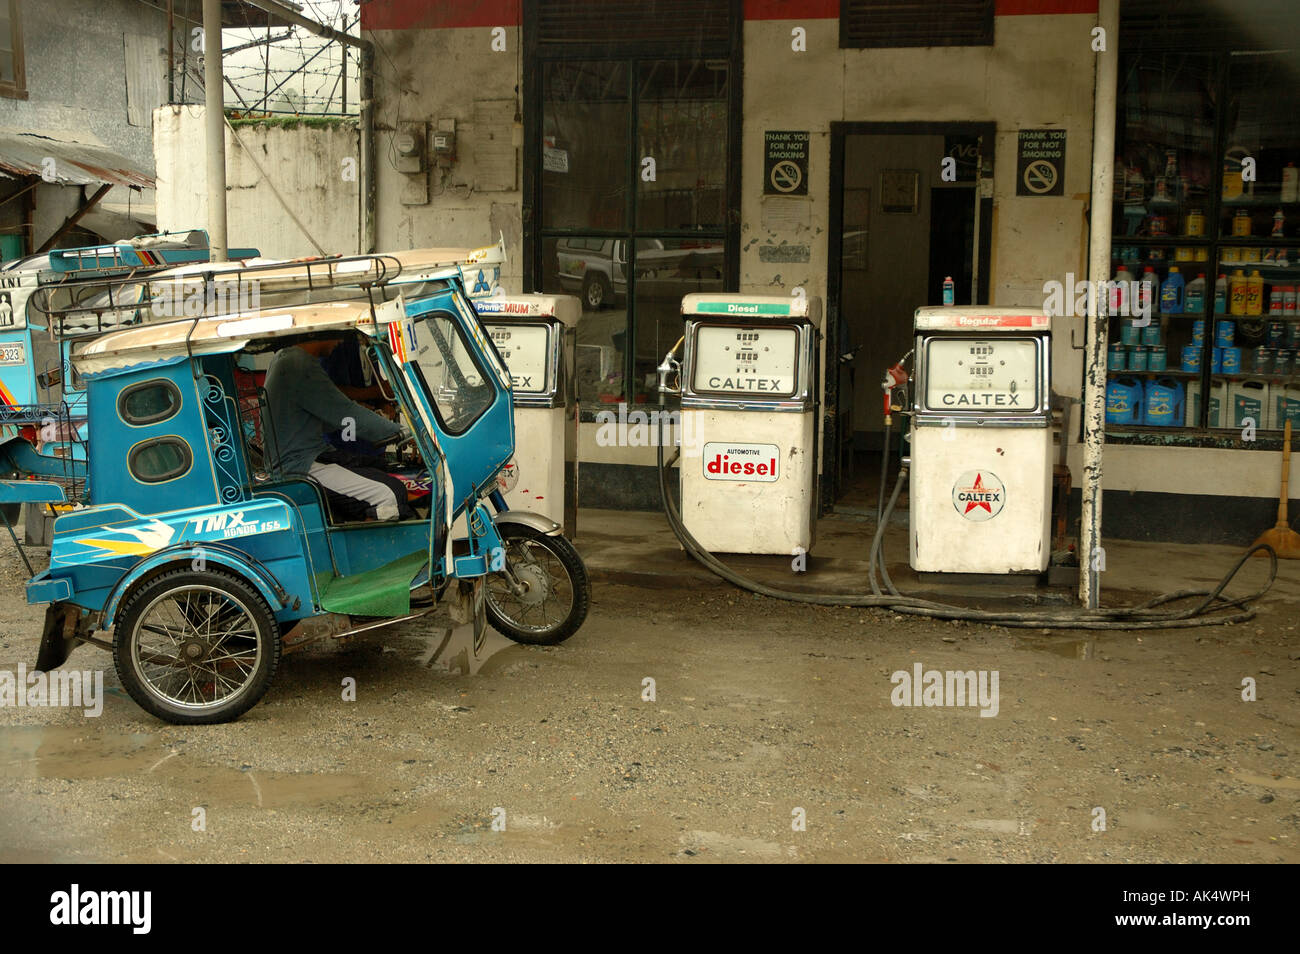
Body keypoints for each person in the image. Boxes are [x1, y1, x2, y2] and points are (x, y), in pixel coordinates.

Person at [262, 333, 414, 522]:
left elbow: (328, 417)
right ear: (323, 330)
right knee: (390, 493)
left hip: (310, 456)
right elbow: (344, 413)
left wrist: (362, 415)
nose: (341, 341)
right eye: (338, 333)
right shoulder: (298, 364)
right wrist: (405, 432)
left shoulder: (287, 359)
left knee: (389, 468)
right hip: (299, 467)